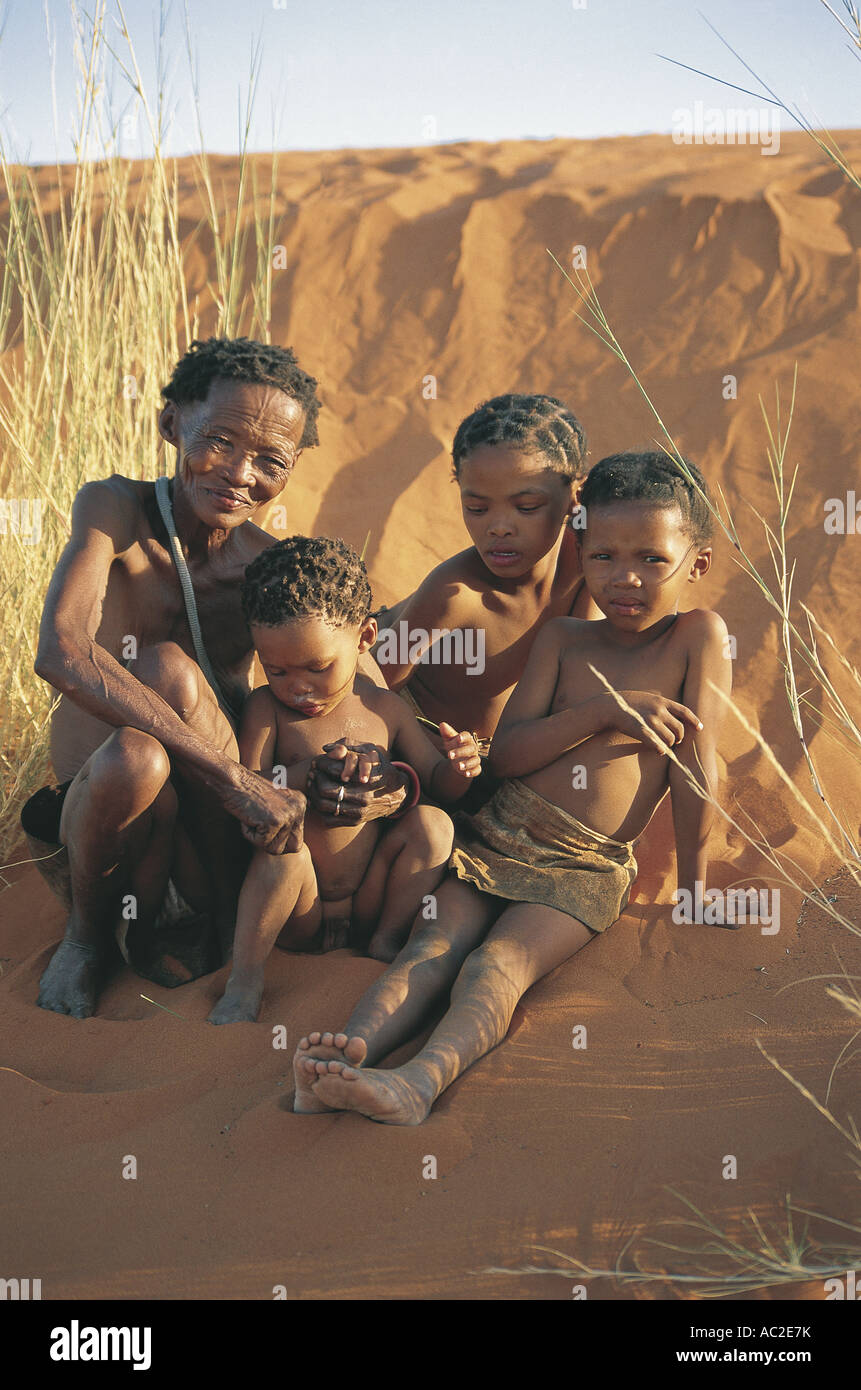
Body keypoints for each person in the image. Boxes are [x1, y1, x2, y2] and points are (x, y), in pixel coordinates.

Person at [291, 450, 732, 1124]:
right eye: (605, 556)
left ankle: (417, 1085)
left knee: (494, 967)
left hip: (582, 866)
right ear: (579, 549)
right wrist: (606, 710)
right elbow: (511, 755)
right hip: (498, 831)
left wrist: (697, 885)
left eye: (651, 559)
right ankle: (341, 1062)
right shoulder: (563, 639)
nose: (626, 578)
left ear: (695, 563)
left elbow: (695, 763)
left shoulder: (694, 636)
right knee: (430, 949)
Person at [22, 338, 413, 1019]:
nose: (239, 473)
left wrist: (379, 782)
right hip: (104, 822)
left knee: (169, 687)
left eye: (270, 461)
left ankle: (219, 930)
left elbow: (364, 699)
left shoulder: (266, 568)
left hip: (212, 848)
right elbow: (59, 651)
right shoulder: (116, 510)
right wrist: (237, 782)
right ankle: (86, 940)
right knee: (142, 741)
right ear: (171, 424)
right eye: (221, 441)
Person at [209, 536, 481, 1022]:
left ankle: (387, 942)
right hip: (301, 906)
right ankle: (246, 979)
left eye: (318, 667)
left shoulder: (385, 709)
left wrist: (461, 765)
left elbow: (437, 785)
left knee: (434, 825)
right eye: (276, 670)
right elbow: (246, 794)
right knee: (281, 857)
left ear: (364, 637)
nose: (298, 686)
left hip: (370, 899)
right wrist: (304, 775)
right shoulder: (267, 710)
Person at [373, 394, 602, 763]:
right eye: (476, 508)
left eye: (526, 507)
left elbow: (587, 674)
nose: (498, 527)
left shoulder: (592, 563)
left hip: (507, 758)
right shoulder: (455, 594)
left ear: (576, 497)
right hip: (423, 753)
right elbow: (367, 694)